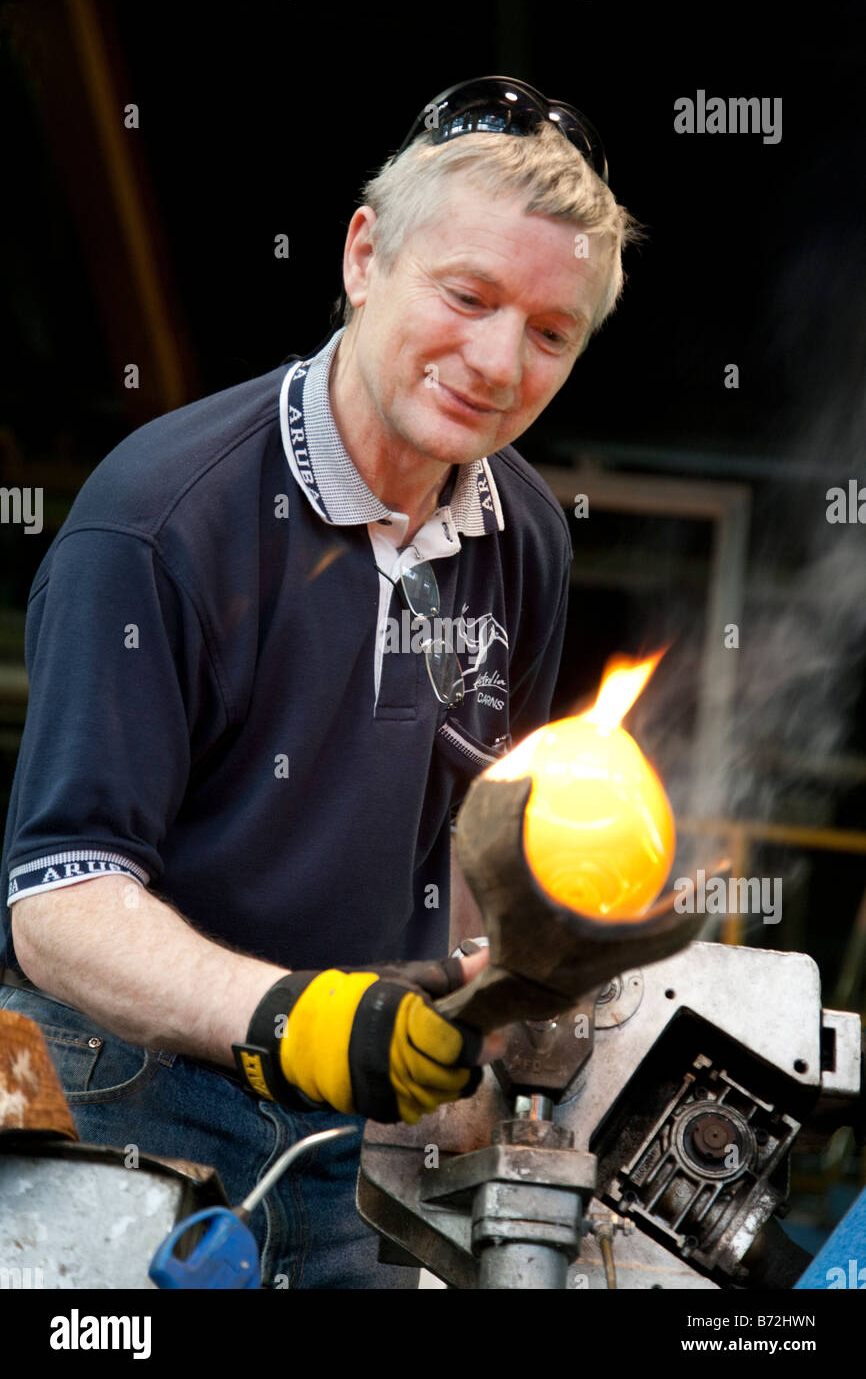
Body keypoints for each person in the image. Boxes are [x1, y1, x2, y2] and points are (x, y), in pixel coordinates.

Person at [0, 77, 639, 1288]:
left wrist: (480, 1015)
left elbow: (476, 845)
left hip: (365, 1130)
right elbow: (59, 903)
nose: (499, 362)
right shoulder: (157, 523)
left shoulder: (527, 540)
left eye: (551, 332)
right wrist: (302, 1020)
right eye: (467, 296)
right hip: (134, 1103)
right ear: (362, 256)